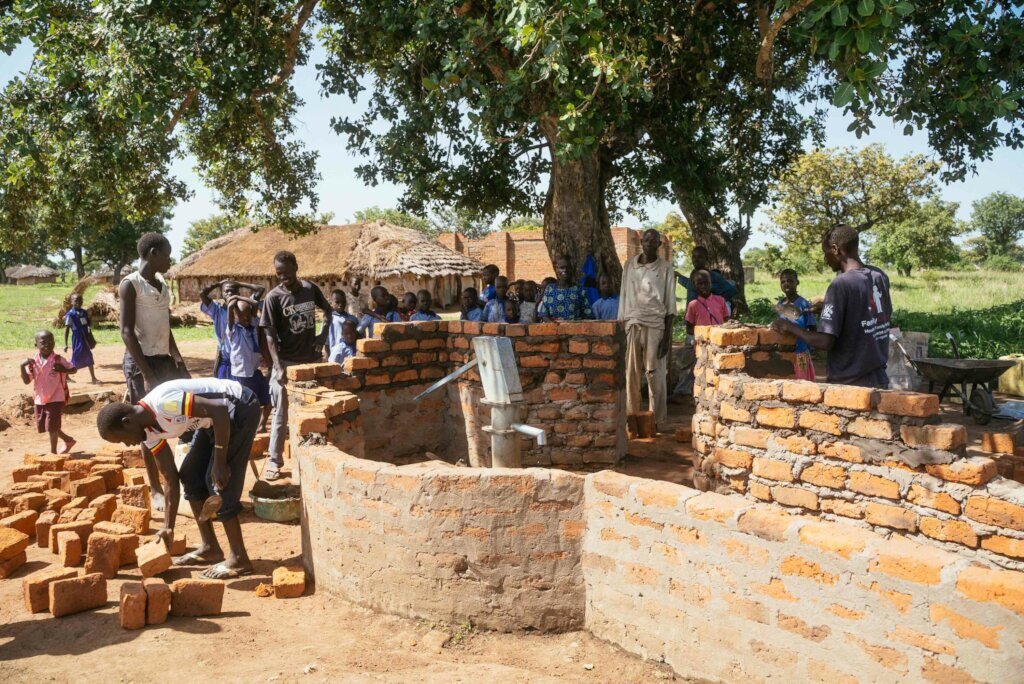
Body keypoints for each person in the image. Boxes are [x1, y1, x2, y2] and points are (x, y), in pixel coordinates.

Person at [96, 378, 258, 579]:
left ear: (127, 422)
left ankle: (239, 558)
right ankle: (210, 547)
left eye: (122, 439)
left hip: (239, 408)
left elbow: (219, 411)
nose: (127, 445)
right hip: (211, 423)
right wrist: (168, 527)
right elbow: (170, 478)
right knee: (190, 476)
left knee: (217, 482)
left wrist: (220, 461)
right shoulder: (149, 433)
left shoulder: (165, 403)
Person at [772, 223, 892, 388]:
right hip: (879, 379)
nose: (825, 259)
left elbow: (825, 342)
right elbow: (875, 315)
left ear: (835, 249)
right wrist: (831, 309)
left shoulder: (840, 285)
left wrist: (790, 327)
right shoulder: (879, 276)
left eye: (825, 252)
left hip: (849, 384)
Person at [120, 232, 190, 511]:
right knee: (146, 425)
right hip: (141, 364)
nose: (169, 259)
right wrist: (147, 373)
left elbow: (165, 327)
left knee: (173, 415)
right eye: (166, 253)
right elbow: (126, 331)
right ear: (152, 253)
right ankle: (156, 487)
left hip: (163, 360)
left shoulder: (160, 285)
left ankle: (176, 479)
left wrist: (177, 358)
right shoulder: (130, 285)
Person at [259, 251, 334, 481]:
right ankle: (274, 461)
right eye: (279, 274)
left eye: (287, 272)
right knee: (280, 413)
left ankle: (316, 459)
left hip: (310, 361)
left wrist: (321, 338)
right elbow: (269, 336)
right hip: (286, 363)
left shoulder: (310, 289)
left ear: (296, 267)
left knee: (315, 411)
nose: (284, 277)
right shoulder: (273, 298)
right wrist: (278, 366)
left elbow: (328, 311)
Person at [619, 229, 676, 428]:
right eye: (647, 240)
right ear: (641, 242)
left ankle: (657, 421)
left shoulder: (666, 268)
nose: (650, 244)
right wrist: (621, 327)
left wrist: (667, 339)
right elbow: (624, 297)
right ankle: (631, 419)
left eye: (654, 241)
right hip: (632, 323)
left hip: (656, 325)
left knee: (655, 374)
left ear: (659, 245)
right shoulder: (629, 266)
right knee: (631, 373)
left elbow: (670, 307)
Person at [22, 330, 77, 453]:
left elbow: (73, 369)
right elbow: (27, 381)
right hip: (40, 398)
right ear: (36, 345)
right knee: (50, 426)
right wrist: (22, 366)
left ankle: (53, 453)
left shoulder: (58, 359)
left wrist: (62, 369)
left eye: (51, 341)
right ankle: (68, 440)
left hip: (56, 397)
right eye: (43, 342)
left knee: (52, 426)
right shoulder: (33, 362)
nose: (48, 344)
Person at [200, 279, 267, 379]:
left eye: (233, 291)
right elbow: (202, 293)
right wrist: (218, 284)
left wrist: (239, 283)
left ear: (238, 293)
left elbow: (260, 289)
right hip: (226, 361)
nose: (230, 293)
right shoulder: (217, 310)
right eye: (226, 291)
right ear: (222, 294)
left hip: (244, 361)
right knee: (227, 392)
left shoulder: (245, 308)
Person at [225, 296, 272, 433]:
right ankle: (245, 429)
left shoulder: (254, 324)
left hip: (255, 371)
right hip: (242, 374)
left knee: (269, 399)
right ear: (235, 316)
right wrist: (233, 302)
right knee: (248, 404)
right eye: (241, 314)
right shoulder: (233, 330)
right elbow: (229, 308)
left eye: (248, 314)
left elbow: (256, 304)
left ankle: (262, 425)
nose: (246, 318)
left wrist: (239, 297)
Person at [776, 269, 817, 381]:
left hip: (800, 351)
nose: (786, 284)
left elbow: (813, 327)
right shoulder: (780, 304)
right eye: (783, 282)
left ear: (797, 282)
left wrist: (811, 347)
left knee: (802, 383)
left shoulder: (803, 304)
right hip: (784, 351)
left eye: (790, 281)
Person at [538, 256, 592, 321]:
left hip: (575, 330)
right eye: (562, 268)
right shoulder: (549, 289)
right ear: (556, 269)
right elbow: (544, 315)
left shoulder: (580, 290)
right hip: (554, 329)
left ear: (572, 269)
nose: (565, 270)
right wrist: (555, 327)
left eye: (568, 268)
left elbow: (588, 315)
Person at [63, 293, 98, 383]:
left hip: (85, 337)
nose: (79, 302)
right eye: (76, 301)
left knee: (89, 356)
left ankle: (93, 378)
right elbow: (66, 330)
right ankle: (65, 375)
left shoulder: (84, 312)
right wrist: (66, 344)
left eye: (80, 300)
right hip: (77, 339)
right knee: (76, 357)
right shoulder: (70, 315)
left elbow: (87, 324)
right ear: (71, 302)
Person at [327, 289, 361, 353]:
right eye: (337, 302)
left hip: (352, 354)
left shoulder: (353, 319)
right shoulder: (329, 319)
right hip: (336, 354)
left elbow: (359, 336)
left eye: (343, 301)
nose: (340, 304)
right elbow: (326, 342)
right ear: (331, 302)